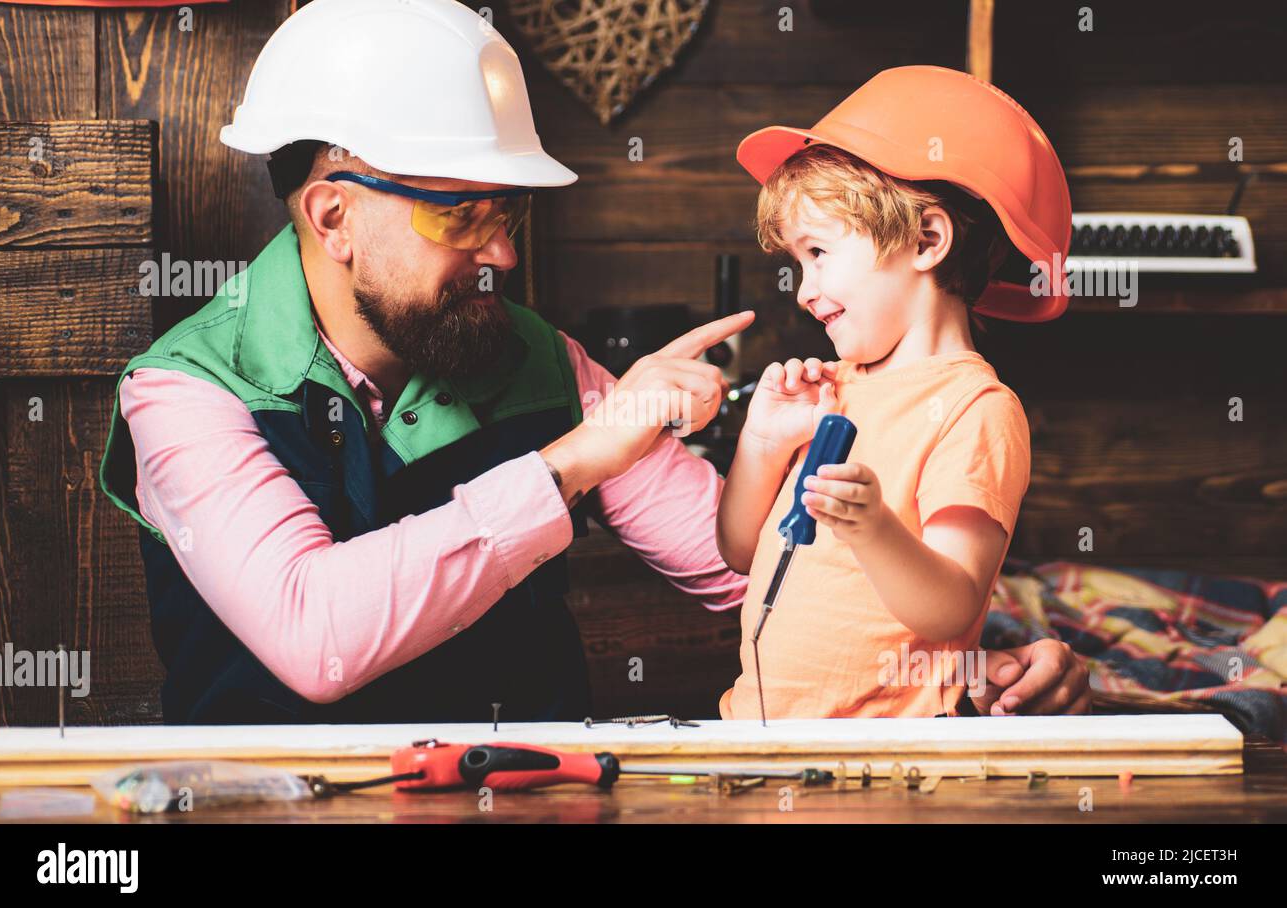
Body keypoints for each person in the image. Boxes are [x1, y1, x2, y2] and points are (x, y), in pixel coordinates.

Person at [98, 2, 1087, 723]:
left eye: (509, 212)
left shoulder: (538, 360)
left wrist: (969, 659)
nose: (503, 256)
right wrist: (579, 459)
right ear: (332, 215)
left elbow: (765, 575)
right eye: (463, 216)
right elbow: (317, 637)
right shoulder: (182, 395)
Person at [718, 66, 1091, 719]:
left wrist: (872, 527)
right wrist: (760, 444)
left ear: (926, 239)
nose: (803, 290)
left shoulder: (977, 409)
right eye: (796, 263)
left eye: (819, 252)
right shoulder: (834, 390)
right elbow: (742, 551)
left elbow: (951, 606)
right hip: (757, 732)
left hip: (883, 756)